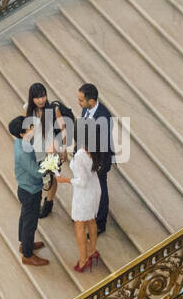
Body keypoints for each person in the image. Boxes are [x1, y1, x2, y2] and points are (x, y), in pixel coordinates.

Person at [54, 121, 110, 272]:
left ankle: (84, 260)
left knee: (79, 226)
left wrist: (64, 180)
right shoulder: (96, 147)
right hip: (95, 188)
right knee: (91, 220)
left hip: (84, 193)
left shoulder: (80, 155)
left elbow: (82, 181)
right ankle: (92, 250)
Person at [25, 82, 75, 220]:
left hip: (52, 149)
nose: (41, 100)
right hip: (37, 149)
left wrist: (63, 149)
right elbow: (28, 130)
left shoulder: (53, 109)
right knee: (42, 176)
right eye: (37, 97)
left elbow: (64, 129)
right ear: (32, 98)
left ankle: (48, 203)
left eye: (43, 96)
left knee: (51, 178)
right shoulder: (29, 110)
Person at [75, 83, 115, 235]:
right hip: (87, 154)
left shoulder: (104, 116)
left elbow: (104, 144)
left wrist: (98, 164)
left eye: (81, 100)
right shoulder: (87, 108)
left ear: (90, 101)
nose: (79, 103)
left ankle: (100, 222)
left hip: (99, 159)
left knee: (100, 190)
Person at [10, 115, 49, 267]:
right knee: (30, 222)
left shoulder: (21, 142)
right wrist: (50, 165)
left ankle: (25, 244)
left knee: (25, 218)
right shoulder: (23, 152)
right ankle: (27, 254)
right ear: (22, 133)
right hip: (30, 190)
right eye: (30, 128)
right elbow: (37, 172)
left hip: (26, 187)